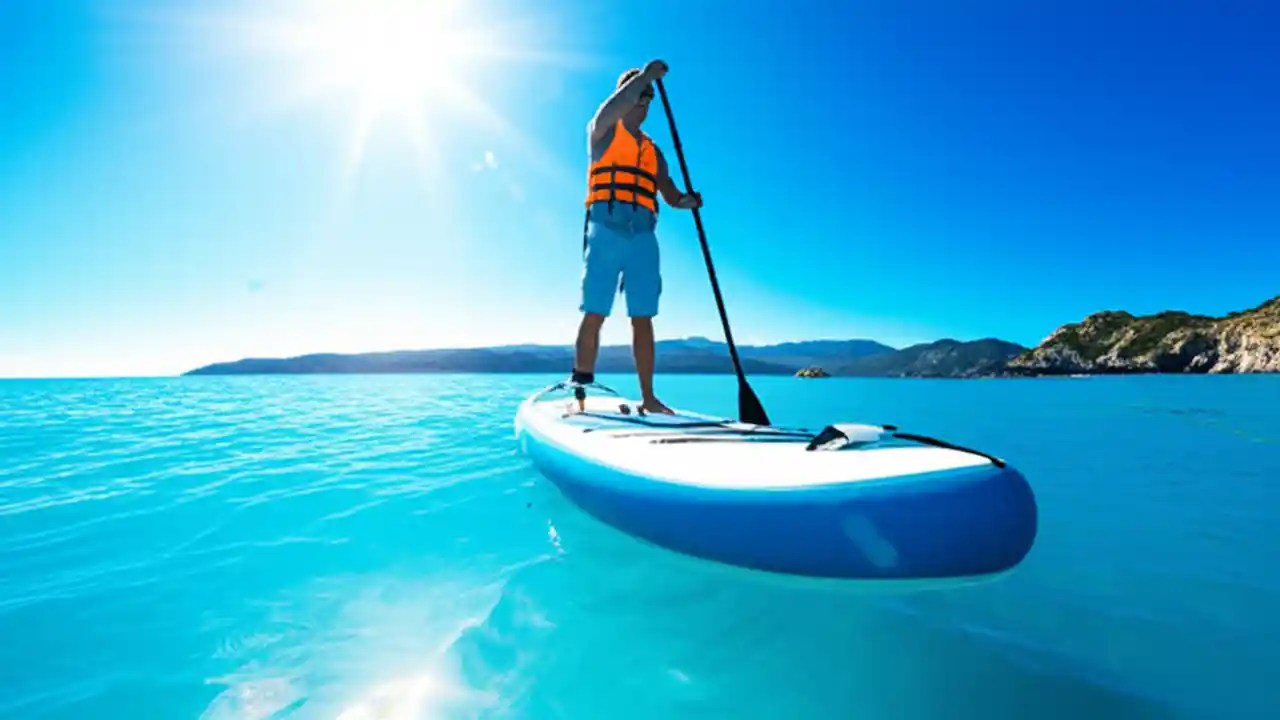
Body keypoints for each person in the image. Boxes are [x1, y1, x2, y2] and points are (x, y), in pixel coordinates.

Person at [569, 59, 703, 415]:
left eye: (648, 95)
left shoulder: (653, 151)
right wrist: (643, 77)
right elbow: (617, 104)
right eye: (638, 92)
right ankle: (580, 392)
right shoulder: (603, 130)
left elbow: (671, 195)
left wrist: (688, 202)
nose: (644, 100)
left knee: (643, 317)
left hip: (643, 237)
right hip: (606, 229)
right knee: (595, 311)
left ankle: (649, 397)